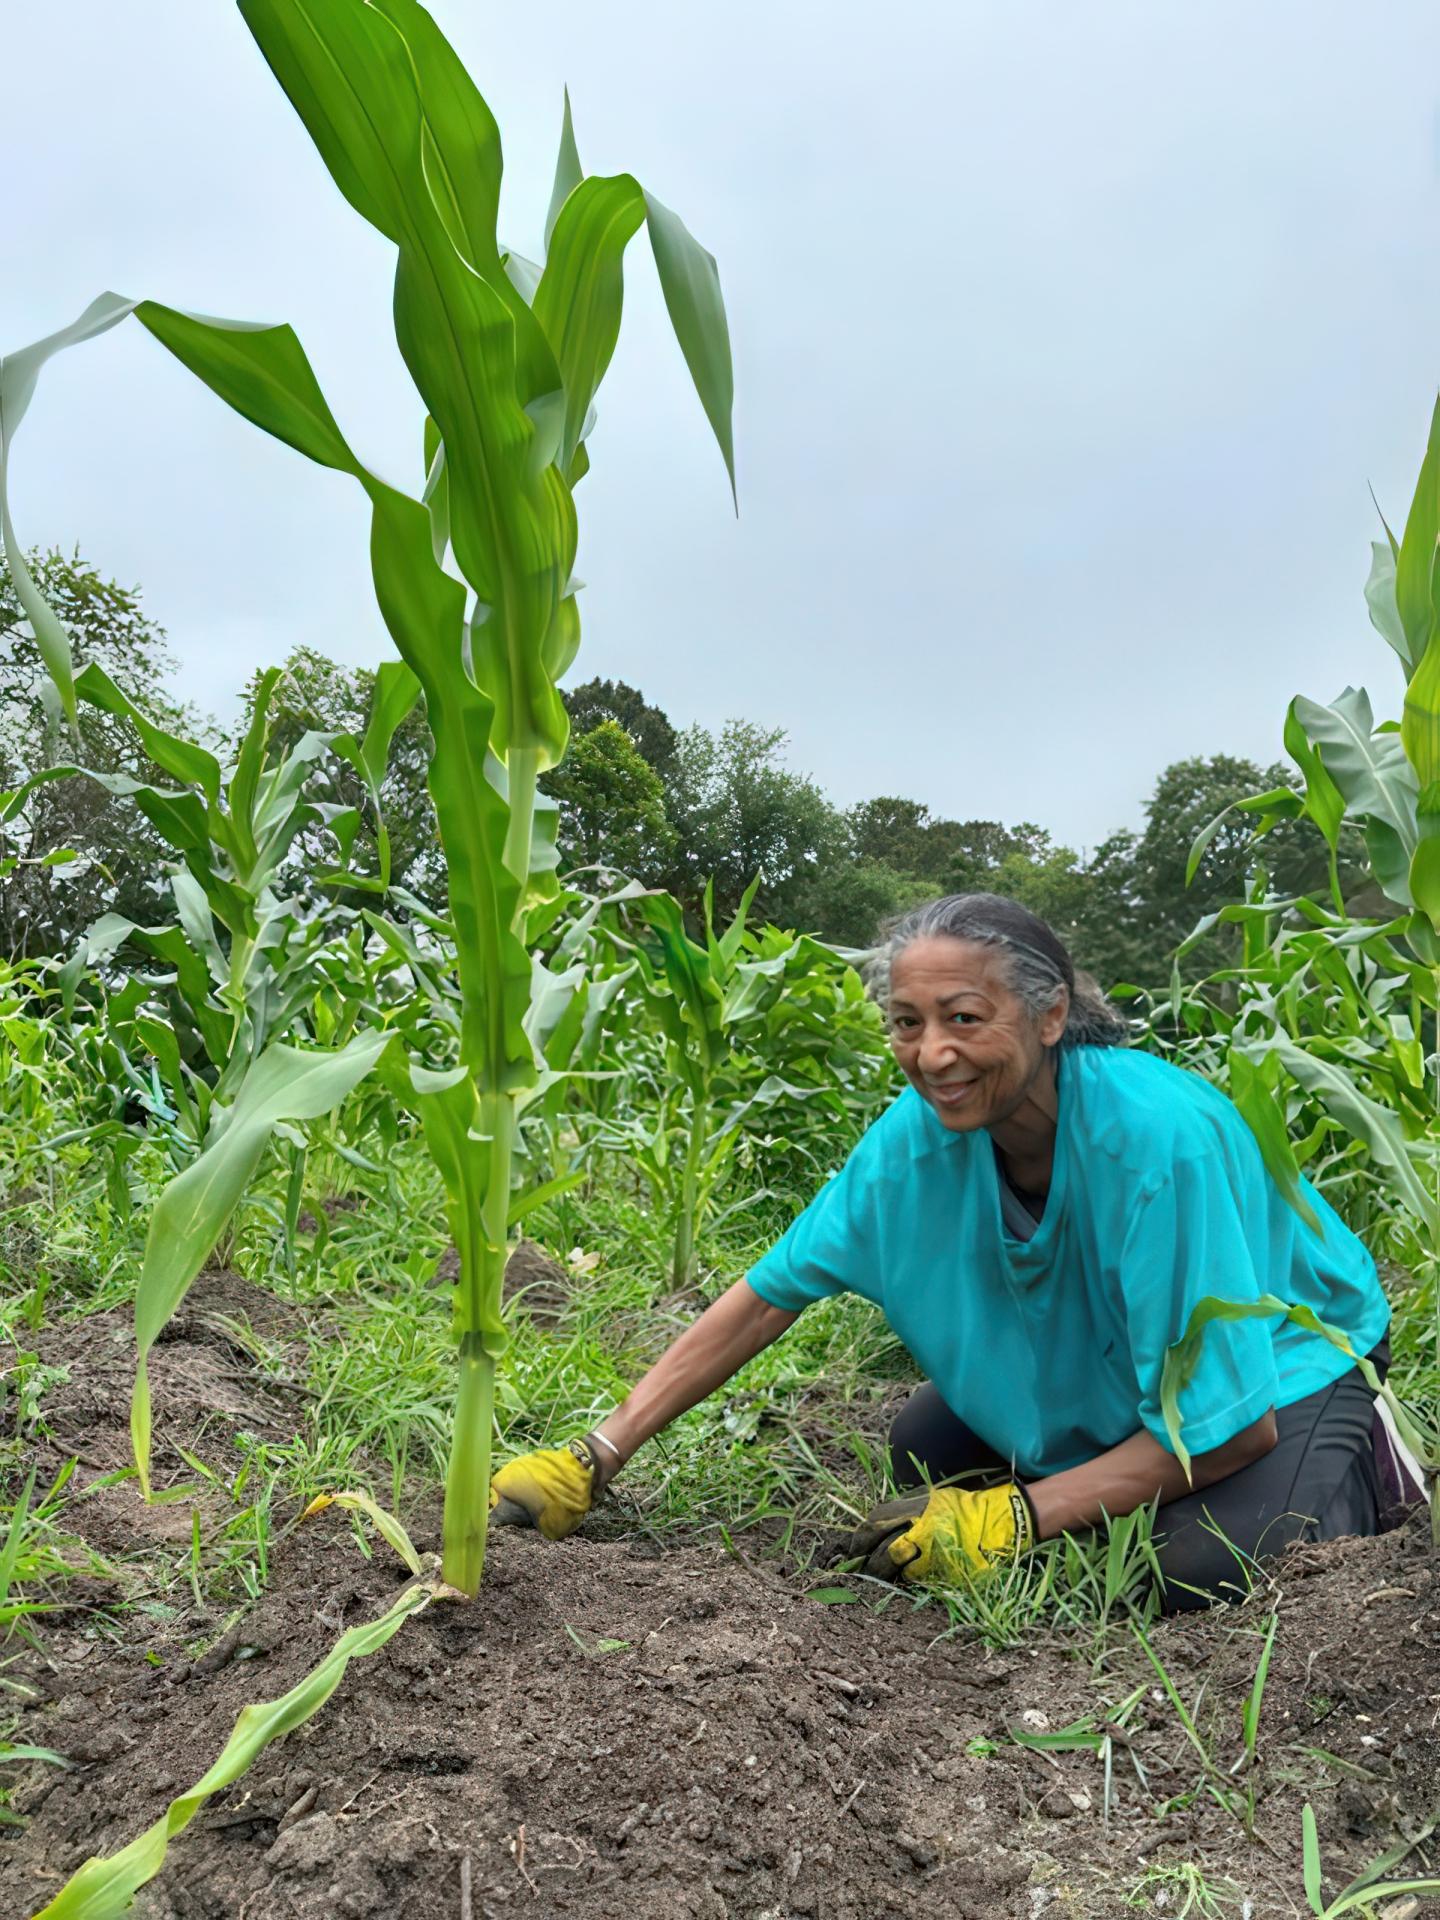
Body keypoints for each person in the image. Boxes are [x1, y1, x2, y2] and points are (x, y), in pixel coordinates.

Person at [488, 893, 1394, 1613]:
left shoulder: (1158, 1143)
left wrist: (1021, 1513)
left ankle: (1377, 1470)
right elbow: (766, 1298)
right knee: (925, 1448)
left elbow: (1232, 1429)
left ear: (1049, 1017)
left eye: (964, 1016)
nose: (933, 1054)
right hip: (1119, 1366)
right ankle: (1086, 1483)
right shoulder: (911, 1145)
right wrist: (596, 1454)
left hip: (1288, 1363)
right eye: (906, 1022)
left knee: (1201, 1567)